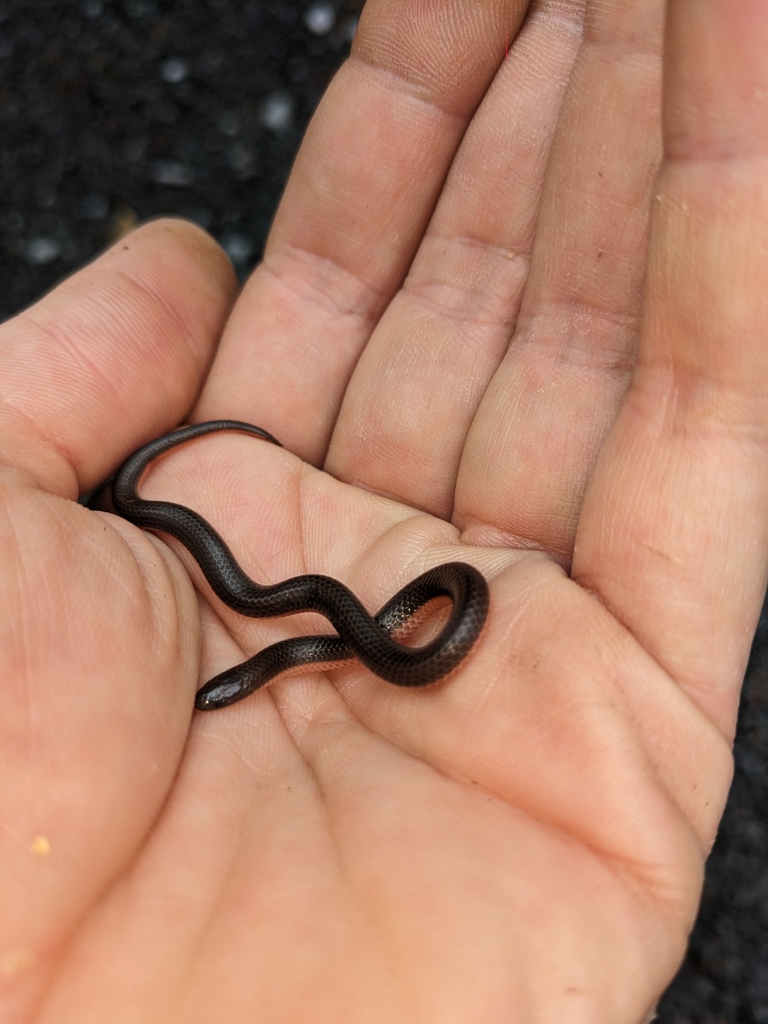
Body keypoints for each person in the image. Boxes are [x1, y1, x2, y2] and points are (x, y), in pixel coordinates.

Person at [0, 0, 763, 1019]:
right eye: (227, 690)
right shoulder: (339, 639)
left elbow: (332, 627)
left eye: (226, 689)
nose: (225, 690)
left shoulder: (341, 635)